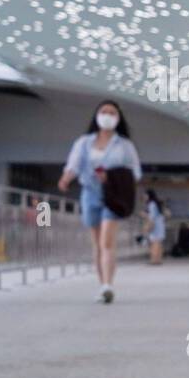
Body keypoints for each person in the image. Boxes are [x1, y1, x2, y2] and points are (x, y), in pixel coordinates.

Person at [57, 100, 143, 304]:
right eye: (103, 111)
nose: (107, 115)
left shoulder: (125, 145)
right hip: (90, 193)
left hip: (113, 196)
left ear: (118, 118)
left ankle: (108, 285)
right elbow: (74, 165)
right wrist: (66, 178)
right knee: (97, 244)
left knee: (107, 241)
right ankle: (102, 284)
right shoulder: (84, 142)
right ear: (96, 115)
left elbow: (135, 172)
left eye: (112, 112)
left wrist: (112, 177)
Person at [143, 189, 167, 265]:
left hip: (155, 225)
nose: (144, 196)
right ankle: (159, 259)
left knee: (154, 243)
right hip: (160, 224)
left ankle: (153, 260)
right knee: (159, 243)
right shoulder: (157, 203)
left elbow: (152, 217)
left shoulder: (151, 204)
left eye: (145, 195)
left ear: (149, 195)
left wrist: (147, 226)